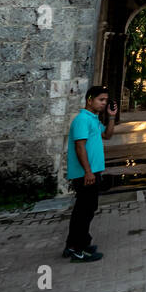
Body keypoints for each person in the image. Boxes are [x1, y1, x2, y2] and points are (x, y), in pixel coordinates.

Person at [64, 85, 117, 262]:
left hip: (92, 172)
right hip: (85, 174)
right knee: (85, 211)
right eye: (101, 100)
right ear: (90, 100)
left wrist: (111, 117)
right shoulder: (81, 120)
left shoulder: (93, 119)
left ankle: (74, 245)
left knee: (84, 210)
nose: (103, 103)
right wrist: (87, 172)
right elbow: (80, 146)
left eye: (105, 101)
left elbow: (108, 136)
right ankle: (79, 250)